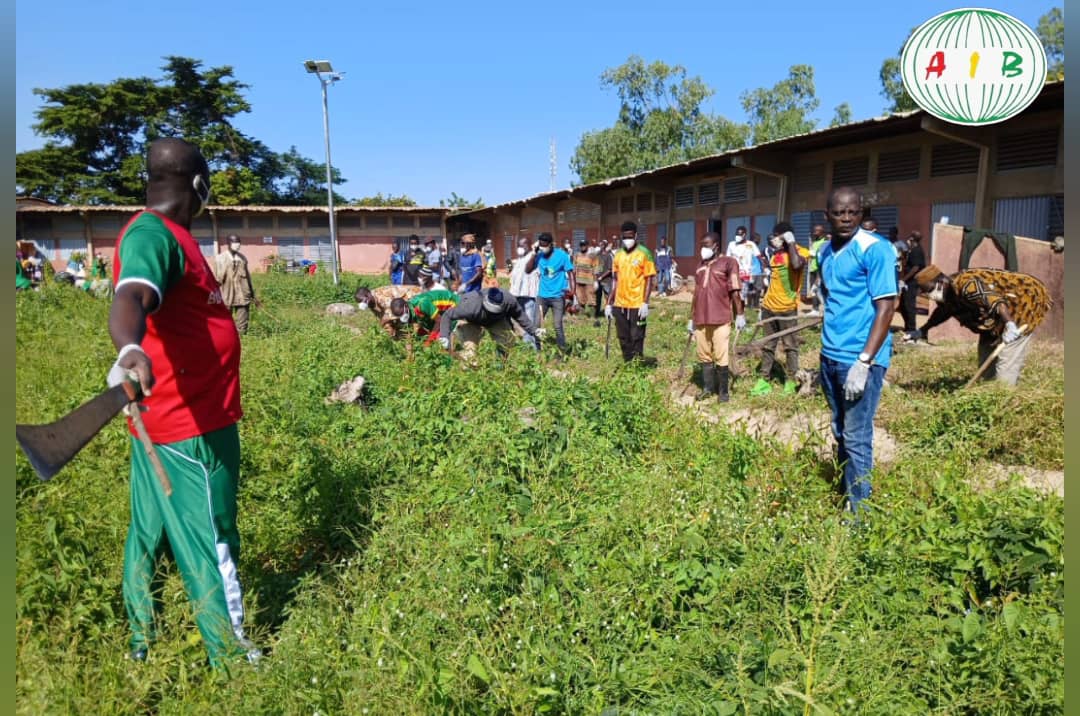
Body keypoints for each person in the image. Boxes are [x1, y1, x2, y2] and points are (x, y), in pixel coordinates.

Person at [105, 138, 259, 668]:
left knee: (148, 533)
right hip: (191, 429)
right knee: (212, 538)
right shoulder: (153, 236)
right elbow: (132, 294)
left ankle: (142, 640)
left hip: (162, 422)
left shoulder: (175, 237)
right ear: (199, 185)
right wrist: (129, 348)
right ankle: (231, 657)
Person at [817, 186, 898, 514]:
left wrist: (864, 362)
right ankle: (844, 494)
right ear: (828, 216)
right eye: (839, 213)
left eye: (853, 212)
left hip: (860, 358)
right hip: (830, 355)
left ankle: (859, 514)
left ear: (861, 214)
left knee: (856, 435)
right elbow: (830, 295)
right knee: (839, 429)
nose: (847, 218)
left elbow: (886, 309)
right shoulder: (824, 251)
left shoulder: (875, 249)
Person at [911, 265, 1051, 386]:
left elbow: (996, 302)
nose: (928, 295)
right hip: (994, 317)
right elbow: (943, 312)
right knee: (986, 357)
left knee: (1007, 360)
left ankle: (1003, 395)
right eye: (924, 292)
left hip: (1023, 302)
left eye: (928, 290)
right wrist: (922, 330)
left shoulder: (968, 285)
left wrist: (1010, 325)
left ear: (941, 281)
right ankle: (988, 389)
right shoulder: (946, 294)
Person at [749, 223, 810, 396]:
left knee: (790, 345)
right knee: (768, 345)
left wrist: (791, 243)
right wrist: (763, 304)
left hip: (787, 309)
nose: (774, 238)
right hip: (769, 307)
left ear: (786, 236)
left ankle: (791, 380)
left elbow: (796, 265)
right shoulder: (776, 255)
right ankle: (764, 380)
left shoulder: (801, 252)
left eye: (777, 235)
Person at [688, 232, 745, 401]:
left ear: (716, 246)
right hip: (701, 318)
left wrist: (740, 314)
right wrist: (691, 318)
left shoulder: (729, 262)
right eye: (701, 245)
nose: (702, 249)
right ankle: (707, 388)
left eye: (706, 245)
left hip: (720, 318)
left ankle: (723, 392)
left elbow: (735, 290)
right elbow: (696, 293)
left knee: (721, 355)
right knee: (703, 354)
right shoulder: (700, 265)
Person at [438, 287, 540, 361]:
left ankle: (500, 365)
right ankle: (467, 374)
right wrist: (444, 336)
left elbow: (520, 316)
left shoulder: (509, 301)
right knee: (470, 353)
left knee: (507, 342)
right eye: (491, 311)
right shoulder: (470, 305)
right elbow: (447, 315)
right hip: (471, 321)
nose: (492, 312)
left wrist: (534, 331)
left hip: (496, 320)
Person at [604, 221, 657, 362]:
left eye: (630, 236)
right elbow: (615, 280)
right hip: (620, 303)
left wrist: (645, 302)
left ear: (636, 235)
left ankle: (637, 363)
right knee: (623, 336)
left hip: (637, 303)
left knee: (637, 335)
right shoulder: (618, 255)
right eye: (625, 237)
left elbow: (649, 279)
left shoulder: (644, 253)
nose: (627, 239)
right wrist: (609, 302)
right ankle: (627, 362)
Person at [526, 232, 575, 352]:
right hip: (542, 296)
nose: (543, 248)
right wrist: (533, 254)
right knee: (537, 324)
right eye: (540, 246)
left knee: (557, 325)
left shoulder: (562, 255)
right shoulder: (539, 256)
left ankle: (562, 350)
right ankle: (538, 350)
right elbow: (528, 270)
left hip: (558, 296)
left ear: (551, 244)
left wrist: (572, 292)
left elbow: (571, 273)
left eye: (545, 246)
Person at [212, 235, 259, 335]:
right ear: (228, 243)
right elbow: (215, 279)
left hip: (242, 294)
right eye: (234, 242)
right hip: (226, 295)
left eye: (238, 242)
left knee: (242, 324)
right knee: (225, 321)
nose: (237, 244)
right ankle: (226, 337)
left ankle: (242, 339)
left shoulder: (242, 259)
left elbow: (247, 277)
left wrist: (253, 295)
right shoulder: (220, 259)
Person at [389, 286, 459, 346]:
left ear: (406, 305)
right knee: (421, 336)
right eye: (399, 315)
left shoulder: (422, 304)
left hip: (454, 307)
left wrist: (429, 340)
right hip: (440, 314)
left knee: (443, 343)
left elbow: (439, 321)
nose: (402, 316)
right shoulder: (410, 311)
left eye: (402, 313)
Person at [508, 236, 540, 348]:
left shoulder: (533, 257)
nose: (520, 248)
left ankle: (533, 348)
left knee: (530, 322)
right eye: (519, 245)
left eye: (523, 245)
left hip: (529, 296)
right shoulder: (519, 260)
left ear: (529, 245)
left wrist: (535, 250)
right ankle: (527, 346)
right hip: (517, 295)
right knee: (521, 322)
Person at [897, 231, 926, 332]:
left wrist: (904, 279)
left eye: (909, 238)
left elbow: (915, 268)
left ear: (912, 239)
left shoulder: (917, 251)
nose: (908, 240)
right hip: (908, 282)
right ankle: (907, 327)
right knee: (903, 305)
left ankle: (911, 329)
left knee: (909, 306)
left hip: (912, 282)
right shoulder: (912, 250)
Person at [725, 226, 761, 306]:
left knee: (742, 295)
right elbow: (727, 258)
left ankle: (741, 310)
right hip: (733, 273)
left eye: (739, 234)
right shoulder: (731, 244)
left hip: (746, 274)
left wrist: (763, 268)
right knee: (733, 292)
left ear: (744, 234)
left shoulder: (751, 244)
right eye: (736, 234)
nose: (737, 236)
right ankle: (733, 309)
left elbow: (758, 256)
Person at [807, 225, 828, 316]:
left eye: (816, 231)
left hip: (820, 270)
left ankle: (825, 308)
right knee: (813, 290)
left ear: (822, 232)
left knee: (821, 289)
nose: (814, 232)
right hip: (813, 268)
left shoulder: (825, 242)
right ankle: (815, 309)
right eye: (814, 230)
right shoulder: (815, 242)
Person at [572, 238, 597, 318]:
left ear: (587, 246)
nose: (583, 247)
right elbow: (574, 268)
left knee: (591, 299)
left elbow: (596, 268)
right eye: (581, 245)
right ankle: (582, 315)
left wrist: (596, 281)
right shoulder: (577, 255)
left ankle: (592, 316)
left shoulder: (592, 255)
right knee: (580, 299)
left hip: (589, 280)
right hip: (579, 280)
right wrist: (573, 280)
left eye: (584, 245)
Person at [594, 239, 613, 326]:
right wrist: (596, 277)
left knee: (607, 297)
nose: (601, 246)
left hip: (606, 280)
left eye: (603, 245)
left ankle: (608, 313)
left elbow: (610, 269)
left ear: (605, 246)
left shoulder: (608, 256)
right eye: (600, 244)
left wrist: (602, 277)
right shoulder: (597, 255)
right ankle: (596, 313)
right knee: (597, 297)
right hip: (598, 280)